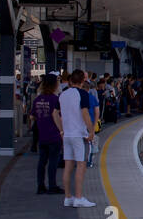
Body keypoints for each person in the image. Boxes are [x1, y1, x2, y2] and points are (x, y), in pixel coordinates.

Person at [57, 68, 96, 207]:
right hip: (79, 135)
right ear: (82, 81)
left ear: (71, 80)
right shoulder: (83, 94)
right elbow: (85, 113)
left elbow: (56, 114)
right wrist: (91, 131)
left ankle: (68, 197)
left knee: (68, 165)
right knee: (81, 165)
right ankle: (79, 198)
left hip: (67, 134)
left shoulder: (63, 95)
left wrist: (61, 130)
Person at [31, 74, 63, 194]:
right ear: (54, 84)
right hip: (54, 134)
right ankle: (52, 186)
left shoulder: (38, 99)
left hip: (42, 134)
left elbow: (32, 116)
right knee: (53, 162)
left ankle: (40, 186)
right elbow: (58, 117)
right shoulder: (56, 99)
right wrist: (62, 132)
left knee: (42, 161)